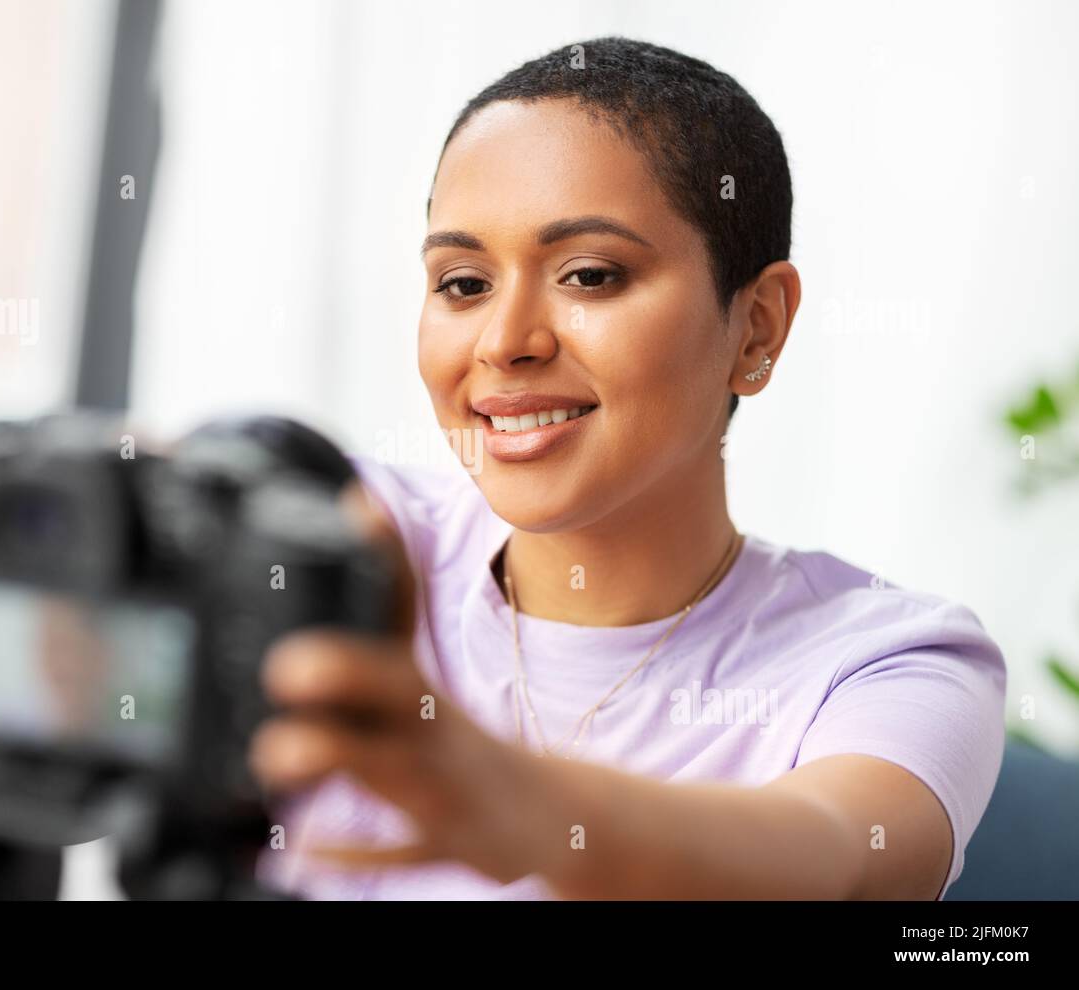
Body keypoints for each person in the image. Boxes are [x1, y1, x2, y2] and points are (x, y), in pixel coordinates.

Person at [248, 36, 1006, 900]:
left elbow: (836, 858)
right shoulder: (343, 538)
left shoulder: (889, 660)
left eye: (589, 275)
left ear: (755, 326)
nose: (505, 343)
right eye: (462, 284)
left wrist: (529, 808)